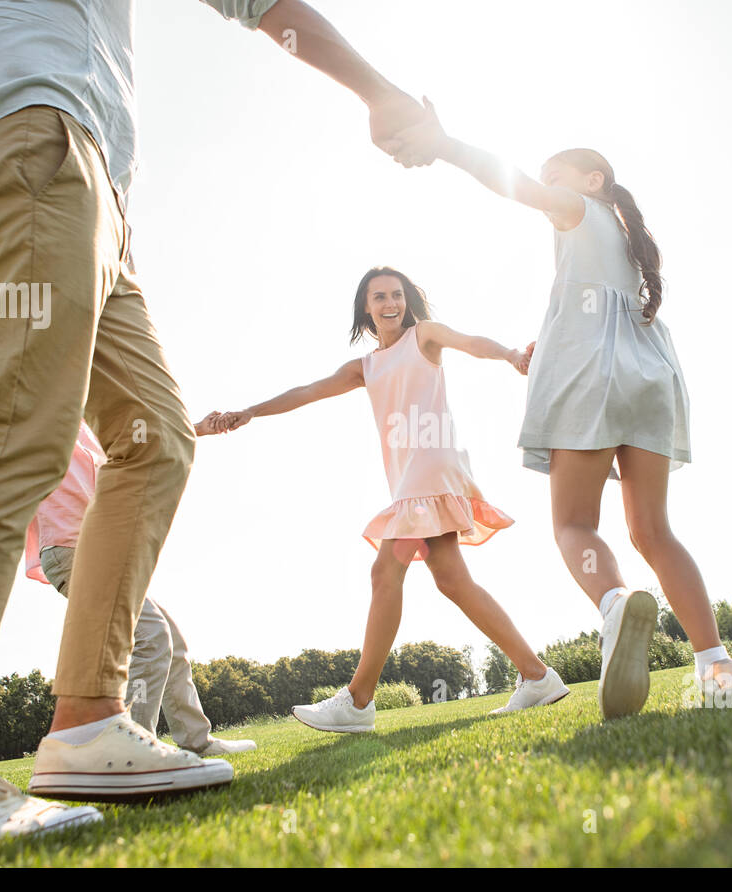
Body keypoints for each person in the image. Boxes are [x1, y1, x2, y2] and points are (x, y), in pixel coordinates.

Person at [0, 0, 444, 855]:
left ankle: (87, 724)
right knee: (14, 433)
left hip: (84, 181)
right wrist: (378, 91)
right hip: (31, 132)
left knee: (156, 437)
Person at [392, 108, 732, 719]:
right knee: (653, 531)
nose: (547, 183)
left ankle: (613, 607)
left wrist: (445, 143)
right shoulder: (629, 240)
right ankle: (717, 663)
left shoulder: (578, 209)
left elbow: (510, 185)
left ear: (592, 180)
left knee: (574, 525)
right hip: (652, 378)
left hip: (592, 378)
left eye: (557, 174)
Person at [198, 267, 568, 732]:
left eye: (397, 294)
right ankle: (537, 676)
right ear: (366, 309)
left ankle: (357, 700)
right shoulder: (365, 367)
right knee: (452, 581)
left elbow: (470, 341)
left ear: (407, 301)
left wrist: (512, 354)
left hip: (431, 471)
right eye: (379, 297)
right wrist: (250, 412)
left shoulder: (425, 337)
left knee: (385, 569)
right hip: (415, 480)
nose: (390, 303)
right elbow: (308, 392)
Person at [0, 326, 255, 757]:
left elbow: (142, 440)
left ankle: (196, 741)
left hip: (100, 548)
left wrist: (198, 429)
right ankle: (132, 749)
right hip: (71, 551)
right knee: (151, 638)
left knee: (171, 638)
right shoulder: (26, 410)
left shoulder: (86, 422)